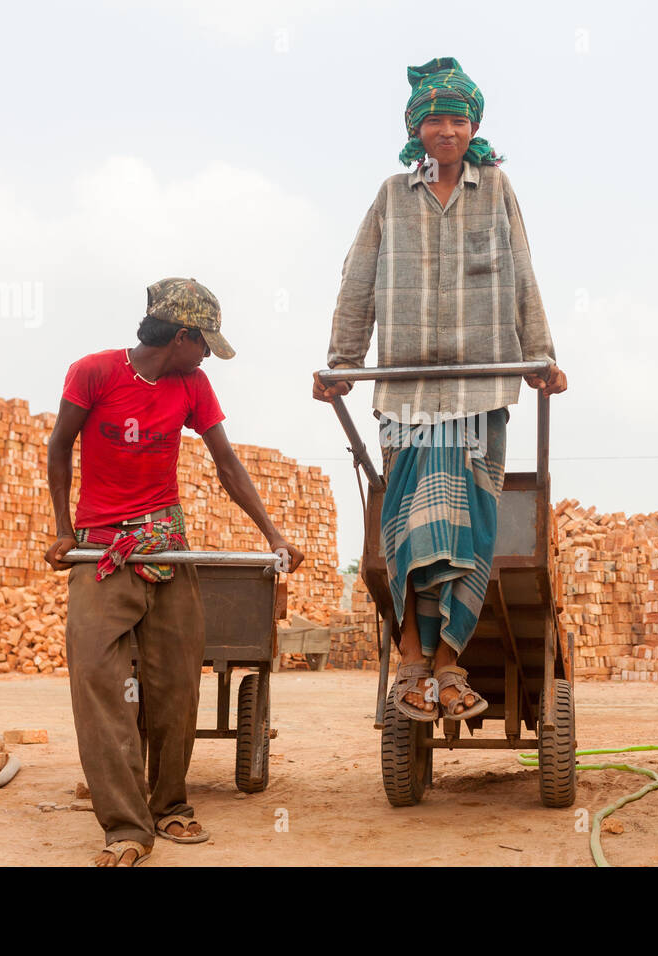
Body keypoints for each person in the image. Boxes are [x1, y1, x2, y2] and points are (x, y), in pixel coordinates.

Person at [314, 57, 566, 726]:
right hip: (407, 393)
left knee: (464, 529)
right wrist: (342, 360)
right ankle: (411, 658)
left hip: (479, 393)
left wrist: (540, 357)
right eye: (434, 120)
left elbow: (522, 278)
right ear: (415, 129)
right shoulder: (392, 197)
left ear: (474, 126)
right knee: (412, 527)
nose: (446, 130)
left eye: (458, 119)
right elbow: (358, 281)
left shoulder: (498, 190)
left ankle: (448, 659)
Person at [45, 277, 304, 867]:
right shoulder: (94, 373)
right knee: (95, 681)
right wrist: (63, 530)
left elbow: (227, 465)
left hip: (165, 546)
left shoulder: (192, 384)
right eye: (204, 342)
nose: (209, 354)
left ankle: (171, 806)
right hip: (101, 550)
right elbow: (60, 446)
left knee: (176, 680)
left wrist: (275, 536)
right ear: (181, 335)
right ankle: (125, 826)